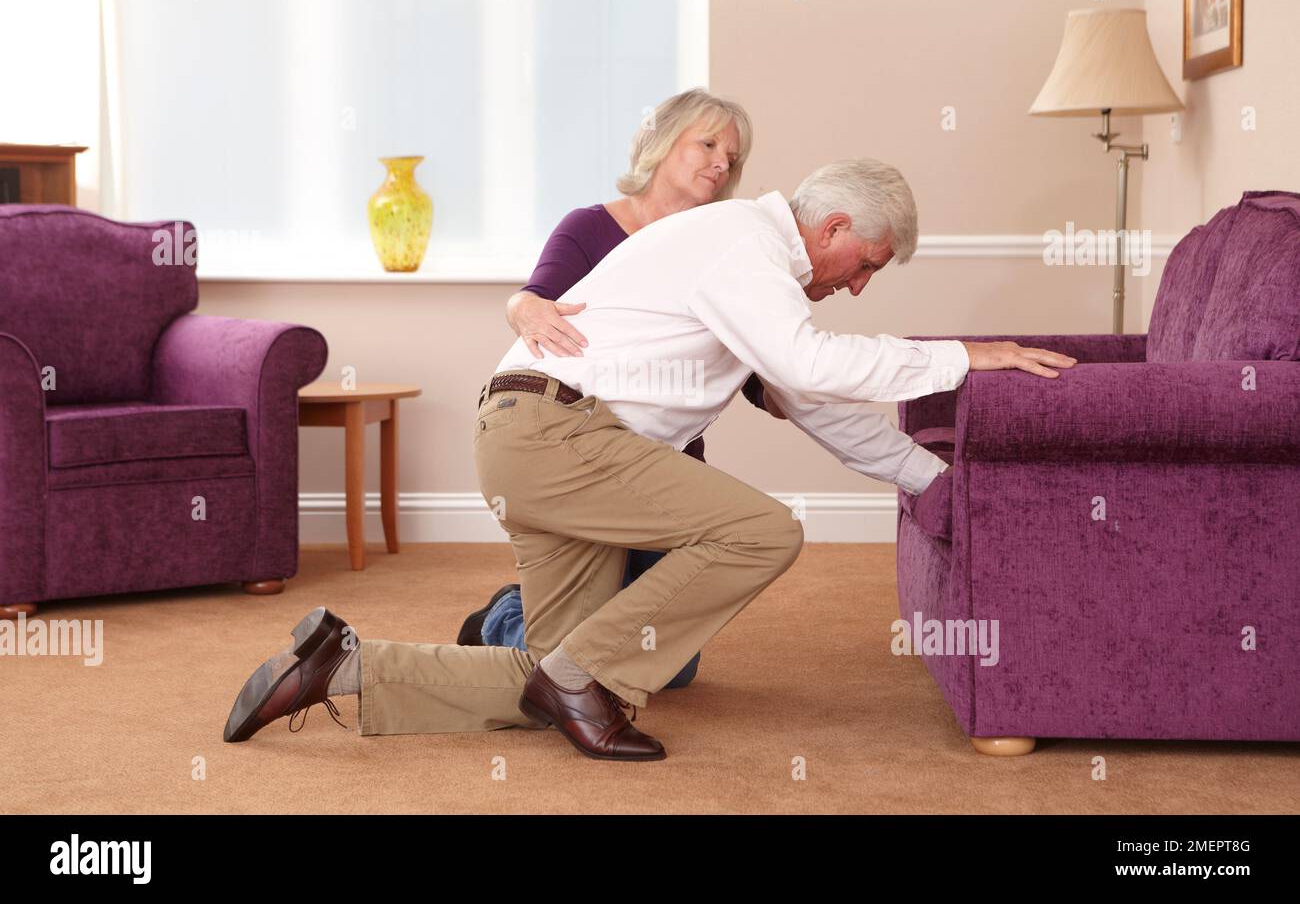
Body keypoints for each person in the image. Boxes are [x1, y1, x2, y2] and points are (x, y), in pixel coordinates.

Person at [223, 158, 1076, 761]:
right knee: (763, 532)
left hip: (534, 441)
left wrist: (935, 480)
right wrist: (967, 354)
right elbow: (817, 367)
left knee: (543, 679)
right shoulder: (744, 245)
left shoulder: (754, 281)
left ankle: (341, 666)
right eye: (865, 266)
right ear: (835, 226)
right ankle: (582, 678)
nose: (859, 286)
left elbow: (816, 404)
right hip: (562, 438)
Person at [456, 88, 775, 692]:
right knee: (589, 656)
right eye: (707, 144)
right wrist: (520, 307)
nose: (721, 163)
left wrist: (804, 381)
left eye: (732, 157)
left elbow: (752, 362)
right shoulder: (591, 227)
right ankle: (507, 616)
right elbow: (535, 298)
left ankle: (539, 615)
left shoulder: (720, 247)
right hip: (583, 452)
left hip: (665, 465)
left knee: (673, 669)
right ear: (660, 144)